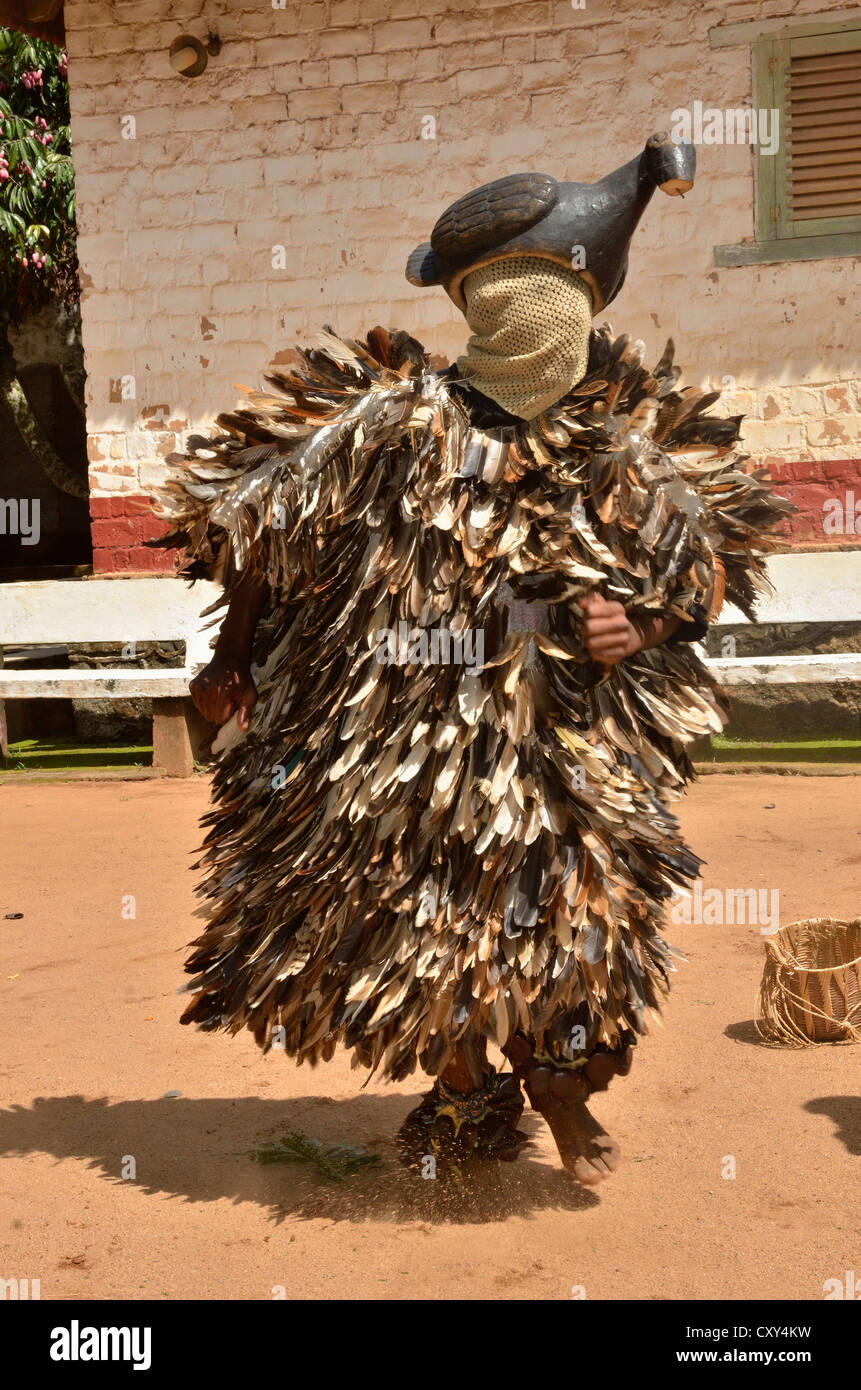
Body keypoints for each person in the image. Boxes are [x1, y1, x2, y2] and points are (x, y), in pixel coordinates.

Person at [152, 133, 790, 1184]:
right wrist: (233, 652)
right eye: (509, 308)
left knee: (571, 914)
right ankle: (462, 1089)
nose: (532, 335)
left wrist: (647, 625)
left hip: (558, 733)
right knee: (413, 921)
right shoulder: (392, 421)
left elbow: (708, 563)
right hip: (391, 733)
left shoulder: (623, 441)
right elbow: (254, 522)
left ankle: (555, 1086)